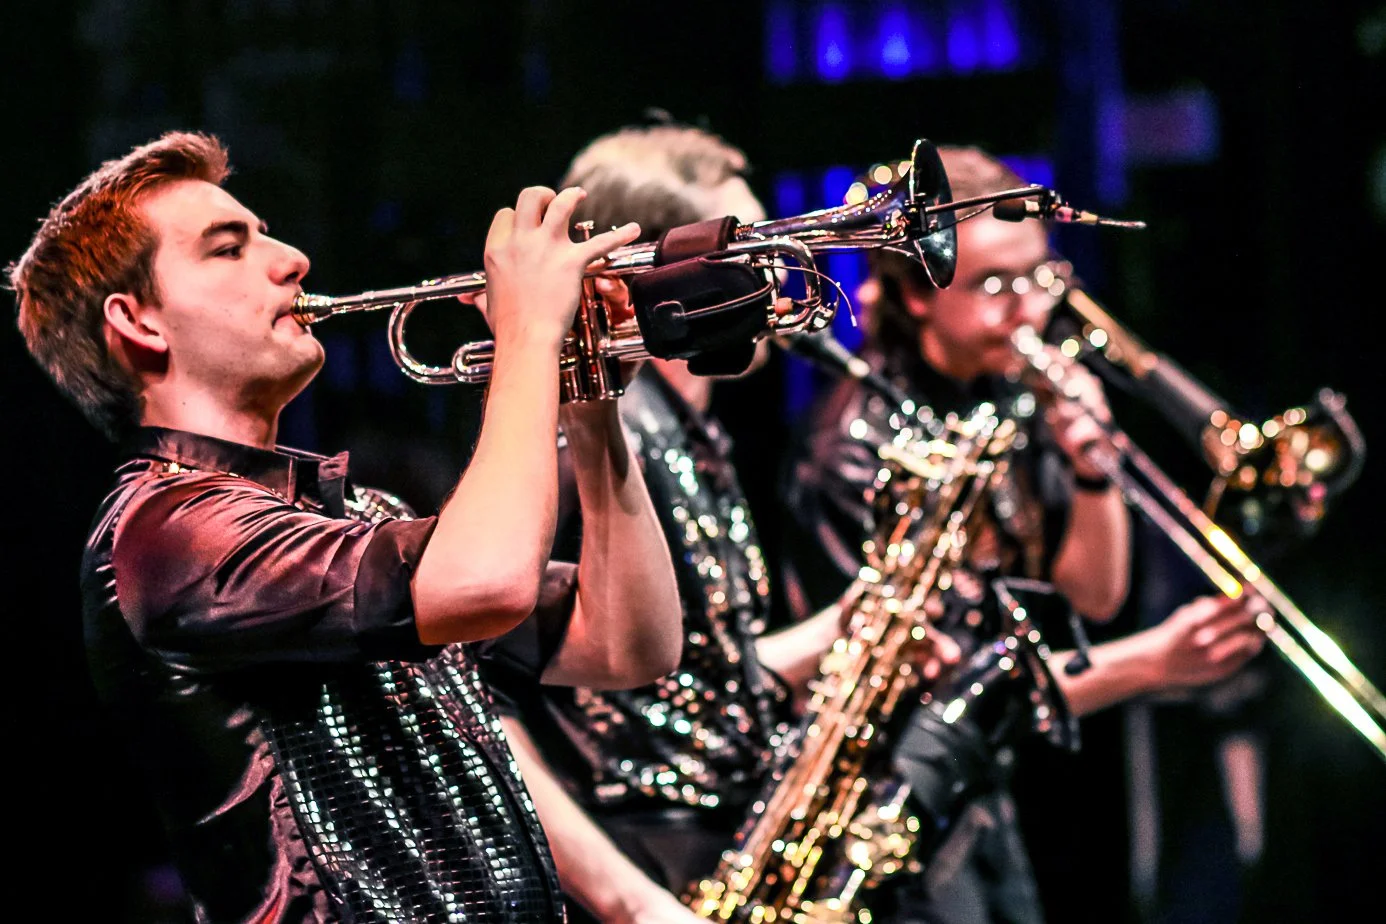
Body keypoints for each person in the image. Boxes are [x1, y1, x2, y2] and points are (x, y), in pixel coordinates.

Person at [9, 130, 685, 923]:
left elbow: (628, 644)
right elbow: (488, 580)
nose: (292, 258)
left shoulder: (358, 515)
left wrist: (588, 393)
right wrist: (528, 338)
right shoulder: (162, 531)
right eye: (229, 250)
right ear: (140, 324)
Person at [484, 123, 962, 924]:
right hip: (644, 859)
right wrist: (629, 901)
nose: (778, 283)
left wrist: (854, 632)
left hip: (716, 839)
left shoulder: (693, 426)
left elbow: (686, 680)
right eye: (747, 257)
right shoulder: (588, 436)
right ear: (651, 277)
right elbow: (479, 698)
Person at [782, 145, 1269, 923]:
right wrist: (1151, 664)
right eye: (991, 284)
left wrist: (1091, 469)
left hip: (1004, 788)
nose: (1025, 309)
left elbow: (1092, 597)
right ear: (917, 294)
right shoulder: (852, 447)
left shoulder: (1014, 393)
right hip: (892, 810)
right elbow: (928, 681)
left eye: (1038, 278)